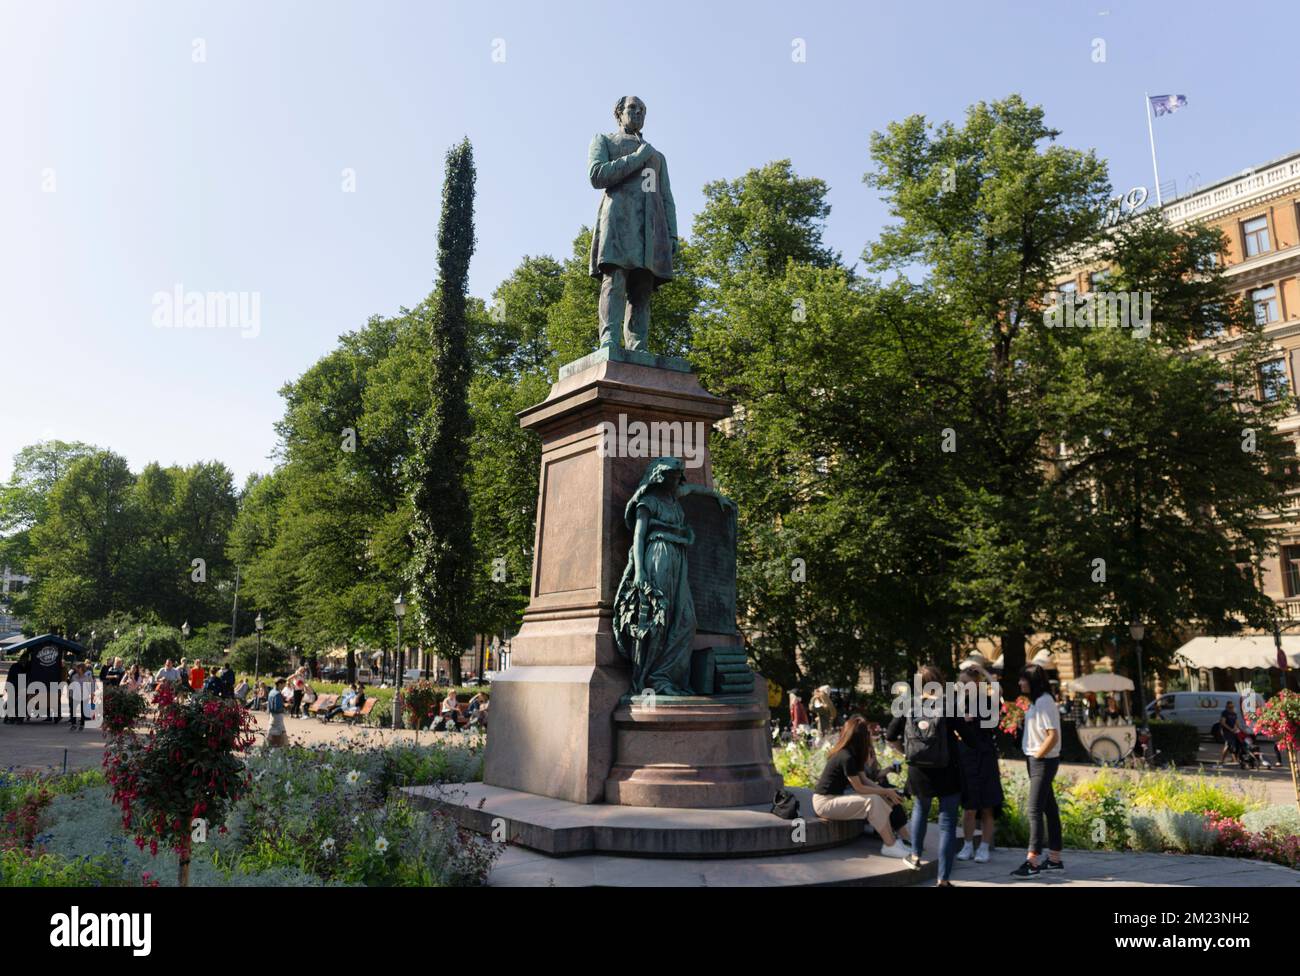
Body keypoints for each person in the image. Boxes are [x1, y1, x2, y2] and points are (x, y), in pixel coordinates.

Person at [887, 665, 965, 887]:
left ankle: (915, 856)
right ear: (939, 682)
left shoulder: (907, 705)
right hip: (947, 769)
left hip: (918, 770)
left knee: (920, 810)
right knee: (947, 824)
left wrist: (907, 753)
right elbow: (969, 738)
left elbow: (891, 736)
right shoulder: (949, 706)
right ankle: (944, 878)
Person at [812, 715, 913, 859]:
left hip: (836, 798)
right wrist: (885, 791)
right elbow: (859, 788)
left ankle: (895, 842)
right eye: (868, 733)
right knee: (872, 800)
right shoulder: (845, 757)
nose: (870, 737)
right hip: (824, 803)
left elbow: (865, 780)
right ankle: (890, 845)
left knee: (880, 797)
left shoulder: (852, 754)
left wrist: (886, 793)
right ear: (860, 737)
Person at [1012, 664, 1064, 878]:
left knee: (1034, 809)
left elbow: (1053, 736)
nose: (1019, 683)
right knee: (1049, 810)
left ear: (1032, 681)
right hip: (1037, 760)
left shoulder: (1044, 702)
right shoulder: (1036, 702)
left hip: (1042, 761)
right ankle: (1054, 859)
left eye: (1023, 679)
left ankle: (1032, 861)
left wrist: (1038, 756)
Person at [954, 664, 1003, 863]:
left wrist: (983, 671)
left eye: (968, 683)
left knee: (987, 806)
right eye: (961, 683)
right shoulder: (956, 704)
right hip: (966, 758)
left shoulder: (986, 702)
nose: (964, 686)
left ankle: (984, 847)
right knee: (969, 807)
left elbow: (998, 690)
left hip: (985, 757)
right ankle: (967, 845)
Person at [265, 678, 288, 747]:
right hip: (277, 716)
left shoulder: (271, 692)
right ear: (279, 684)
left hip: (271, 715)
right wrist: (285, 706)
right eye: (284, 684)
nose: (284, 686)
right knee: (275, 733)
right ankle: (282, 747)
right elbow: (276, 708)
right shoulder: (277, 694)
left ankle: (285, 746)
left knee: (278, 732)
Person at [1219, 700, 1241, 765]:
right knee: (1229, 744)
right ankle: (1224, 760)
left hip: (1233, 731)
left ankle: (1232, 759)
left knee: (1231, 745)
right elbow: (1223, 722)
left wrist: (1237, 729)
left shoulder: (1234, 714)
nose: (1231, 708)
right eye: (1230, 707)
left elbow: (1236, 723)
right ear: (1227, 707)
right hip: (1226, 731)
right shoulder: (1225, 713)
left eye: (1232, 707)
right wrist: (1230, 729)